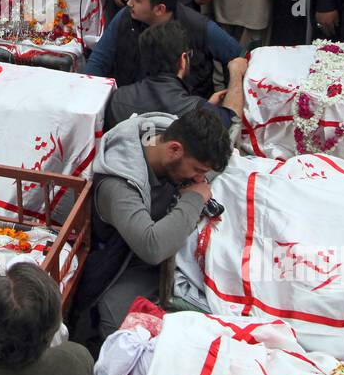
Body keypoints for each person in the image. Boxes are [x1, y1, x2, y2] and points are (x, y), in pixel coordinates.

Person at [70, 108, 232, 350]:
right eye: (197, 171)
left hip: (164, 254)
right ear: (174, 150)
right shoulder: (119, 185)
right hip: (122, 266)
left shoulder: (168, 137)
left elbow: (214, 168)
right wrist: (193, 199)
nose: (200, 179)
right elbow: (151, 246)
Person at [86, 0, 245, 101]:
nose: (129, 3)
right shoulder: (125, 18)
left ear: (159, 9)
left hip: (184, 117)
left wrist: (228, 97)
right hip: (132, 107)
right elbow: (99, 61)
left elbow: (240, 58)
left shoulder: (200, 28)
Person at [106, 20, 244, 130]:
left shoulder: (117, 99)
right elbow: (232, 124)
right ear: (183, 60)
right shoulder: (193, 111)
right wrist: (236, 73)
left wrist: (207, 106)